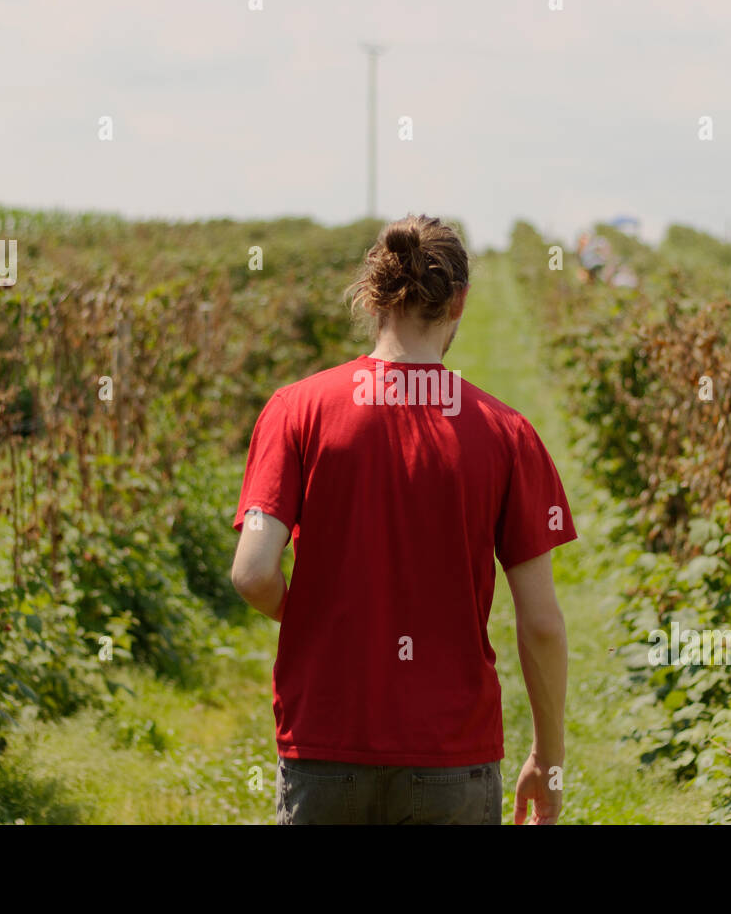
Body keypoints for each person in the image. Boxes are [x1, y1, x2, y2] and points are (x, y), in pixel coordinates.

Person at [230, 213, 577, 825]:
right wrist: (547, 759)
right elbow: (543, 623)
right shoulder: (506, 433)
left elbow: (253, 574)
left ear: (372, 293)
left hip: (324, 747)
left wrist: (313, 613)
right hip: (452, 761)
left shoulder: (297, 411)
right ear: (460, 303)